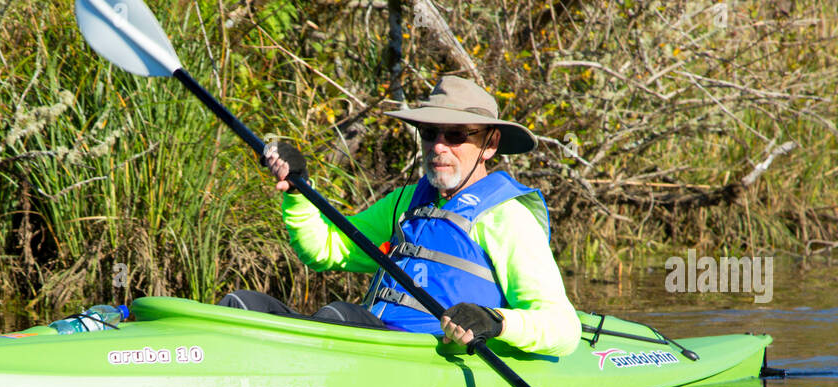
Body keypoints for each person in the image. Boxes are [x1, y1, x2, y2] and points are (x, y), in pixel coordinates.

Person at [220, 76, 580, 357]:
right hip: (376, 344)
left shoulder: (507, 218)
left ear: (490, 144)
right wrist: (299, 190)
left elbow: (564, 329)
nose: (438, 146)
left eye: (455, 135)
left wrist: (495, 320)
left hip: (432, 356)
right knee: (243, 305)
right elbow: (324, 248)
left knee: (339, 315)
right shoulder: (406, 201)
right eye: (429, 133)